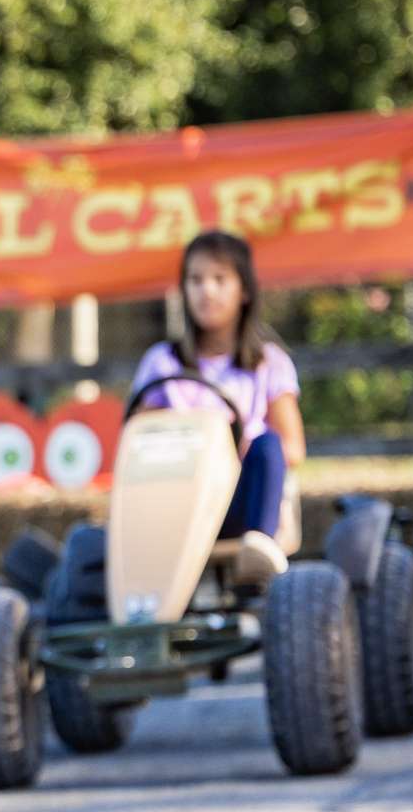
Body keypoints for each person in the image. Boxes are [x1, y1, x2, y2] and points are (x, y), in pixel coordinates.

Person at [128, 230, 303, 581]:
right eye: (196, 280)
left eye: (220, 280)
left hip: (236, 501)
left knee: (269, 445)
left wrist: (231, 448)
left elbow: (293, 448)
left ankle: (258, 551)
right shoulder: (162, 363)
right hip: (175, 503)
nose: (207, 291)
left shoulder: (268, 363)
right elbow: (135, 441)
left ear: (244, 291)